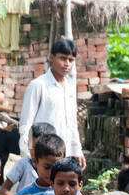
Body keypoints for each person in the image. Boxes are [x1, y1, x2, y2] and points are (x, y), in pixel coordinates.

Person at [18, 37, 83, 170]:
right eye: (63, 58)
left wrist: (77, 151)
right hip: (43, 158)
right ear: (52, 57)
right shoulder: (38, 85)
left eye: (71, 60)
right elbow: (26, 124)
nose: (67, 64)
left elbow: (72, 123)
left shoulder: (70, 87)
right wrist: (28, 156)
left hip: (65, 155)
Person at [0, 121, 56, 195]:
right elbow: (3, 191)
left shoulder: (58, 167)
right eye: (33, 147)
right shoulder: (24, 164)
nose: (37, 152)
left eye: (41, 148)